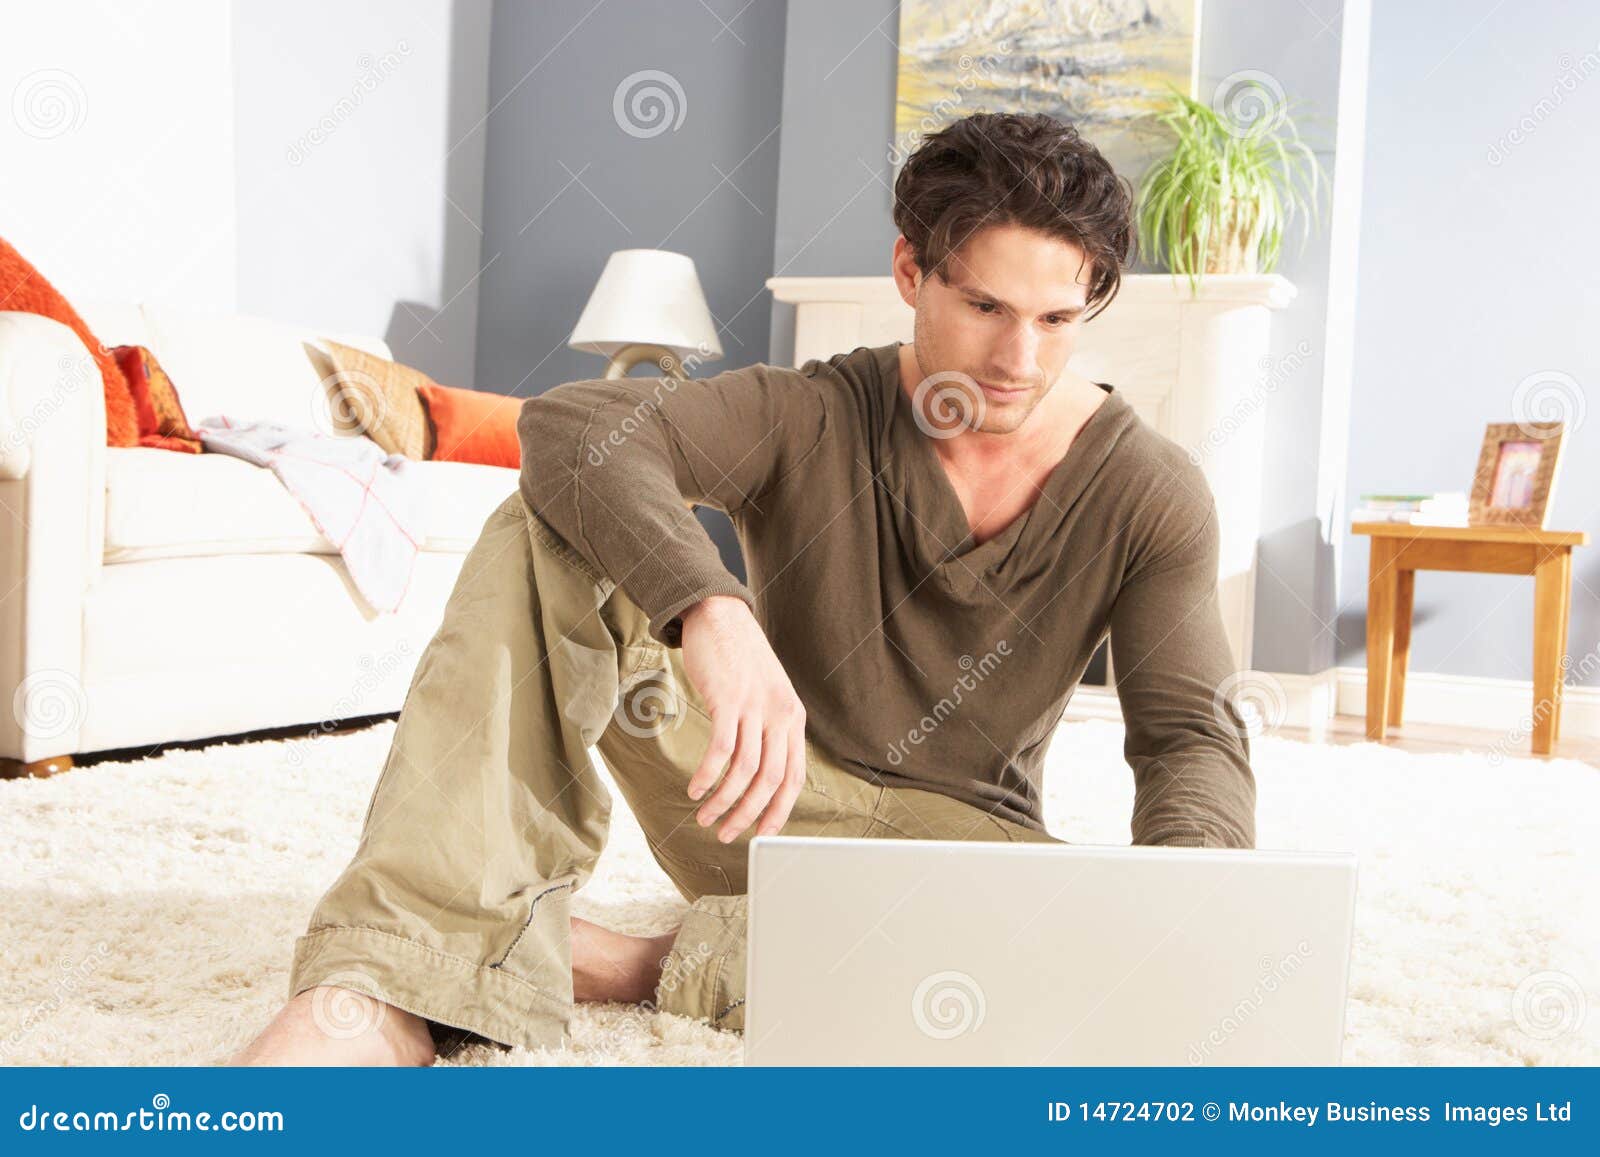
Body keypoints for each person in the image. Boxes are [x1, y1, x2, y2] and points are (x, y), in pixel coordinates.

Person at [231, 111, 1256, 1066]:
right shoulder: (810, 410)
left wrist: (1186, 912)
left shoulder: (1149, 489)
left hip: (943, 855)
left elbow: (1188, 739)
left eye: (1055, 318)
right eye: (984, 305)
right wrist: (710, 607)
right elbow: (574, 427)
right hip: (752, 790)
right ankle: (392, 977)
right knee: (547, 524)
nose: (1016, 358)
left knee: (1059, 960)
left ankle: (601, 957)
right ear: (910, 271)